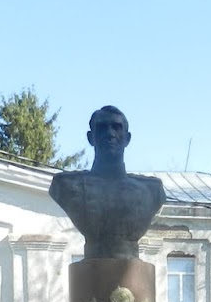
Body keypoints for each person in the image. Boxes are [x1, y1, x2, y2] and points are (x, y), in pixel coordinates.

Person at [48, 106, 166, 261]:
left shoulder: (151, 190)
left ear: (127, 138)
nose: (110, 134)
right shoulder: (66, 186)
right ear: (91, 137)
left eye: (116, 128)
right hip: (91, 269)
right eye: (102, 128)